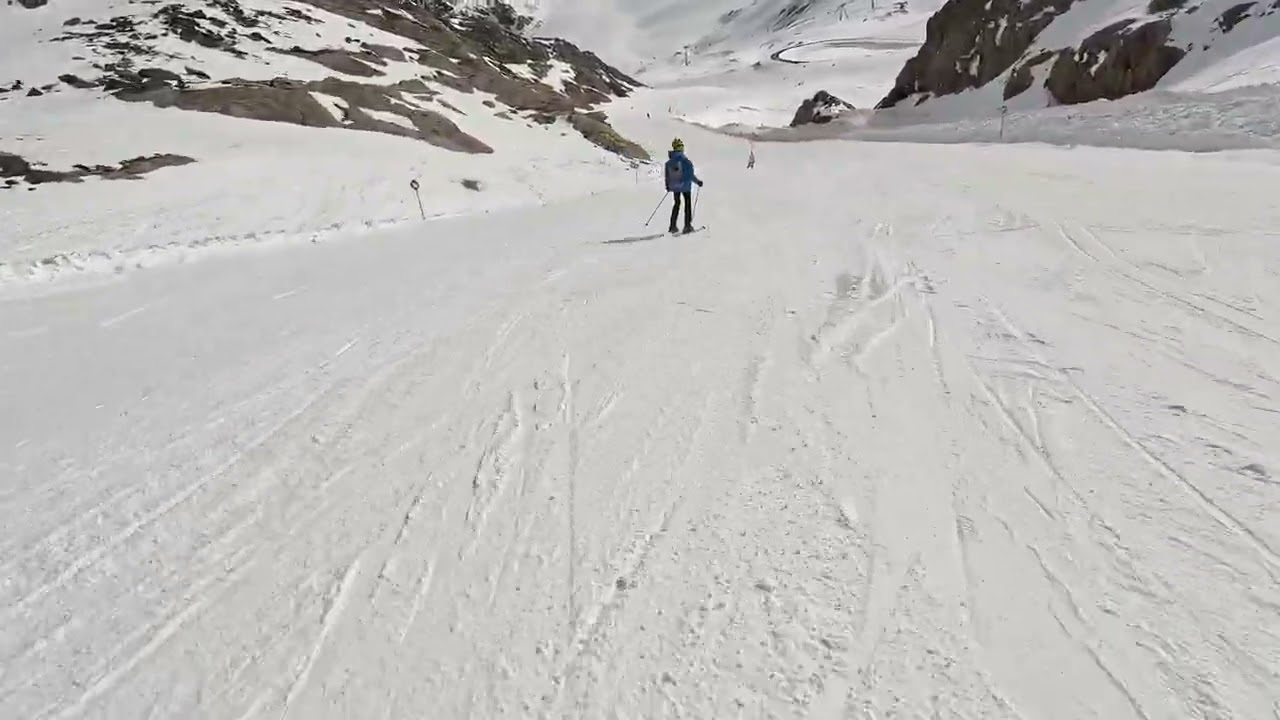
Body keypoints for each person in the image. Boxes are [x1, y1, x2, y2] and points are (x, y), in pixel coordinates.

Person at [664, 138, 703, 234]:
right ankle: (687, 226)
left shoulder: (669, 162)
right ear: (681, 148)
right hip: (685, 187)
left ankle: (672, 226)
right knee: (687, 205)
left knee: (676, 204)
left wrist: (668, 186)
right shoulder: (686, 161)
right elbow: (690, 175)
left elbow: (667, 176)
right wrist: (698, 182)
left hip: (674, 187)